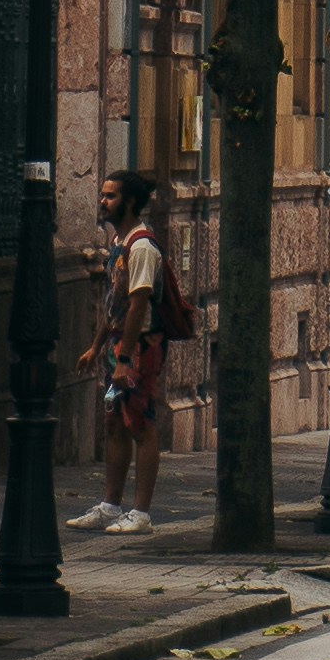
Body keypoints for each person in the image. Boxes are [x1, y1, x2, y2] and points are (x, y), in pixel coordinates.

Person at [75, 171, 183, 537]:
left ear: (130, 202)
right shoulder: (120, 241)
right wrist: (96, 346)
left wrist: (124, 359)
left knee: (140, 422)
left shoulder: (141, 247)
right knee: (113, 422)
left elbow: (138, 305)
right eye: (103, 195)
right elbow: (114, 303)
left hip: (140, 346)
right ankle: (110, 504)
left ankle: (141, 512)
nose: (103, 202)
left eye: (110, 196)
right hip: (118, 343)